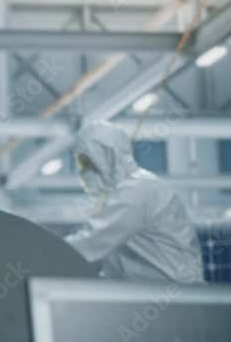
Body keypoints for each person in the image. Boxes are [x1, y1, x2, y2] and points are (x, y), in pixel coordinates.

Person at [64, 120, 204, 283]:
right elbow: (116, 266)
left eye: (86, 162)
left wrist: (40, 252)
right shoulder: (129, 192)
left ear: (107, 155)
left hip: (177, 299)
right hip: (154, 297)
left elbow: (89, 244)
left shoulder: (137, 190)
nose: (82, 170)